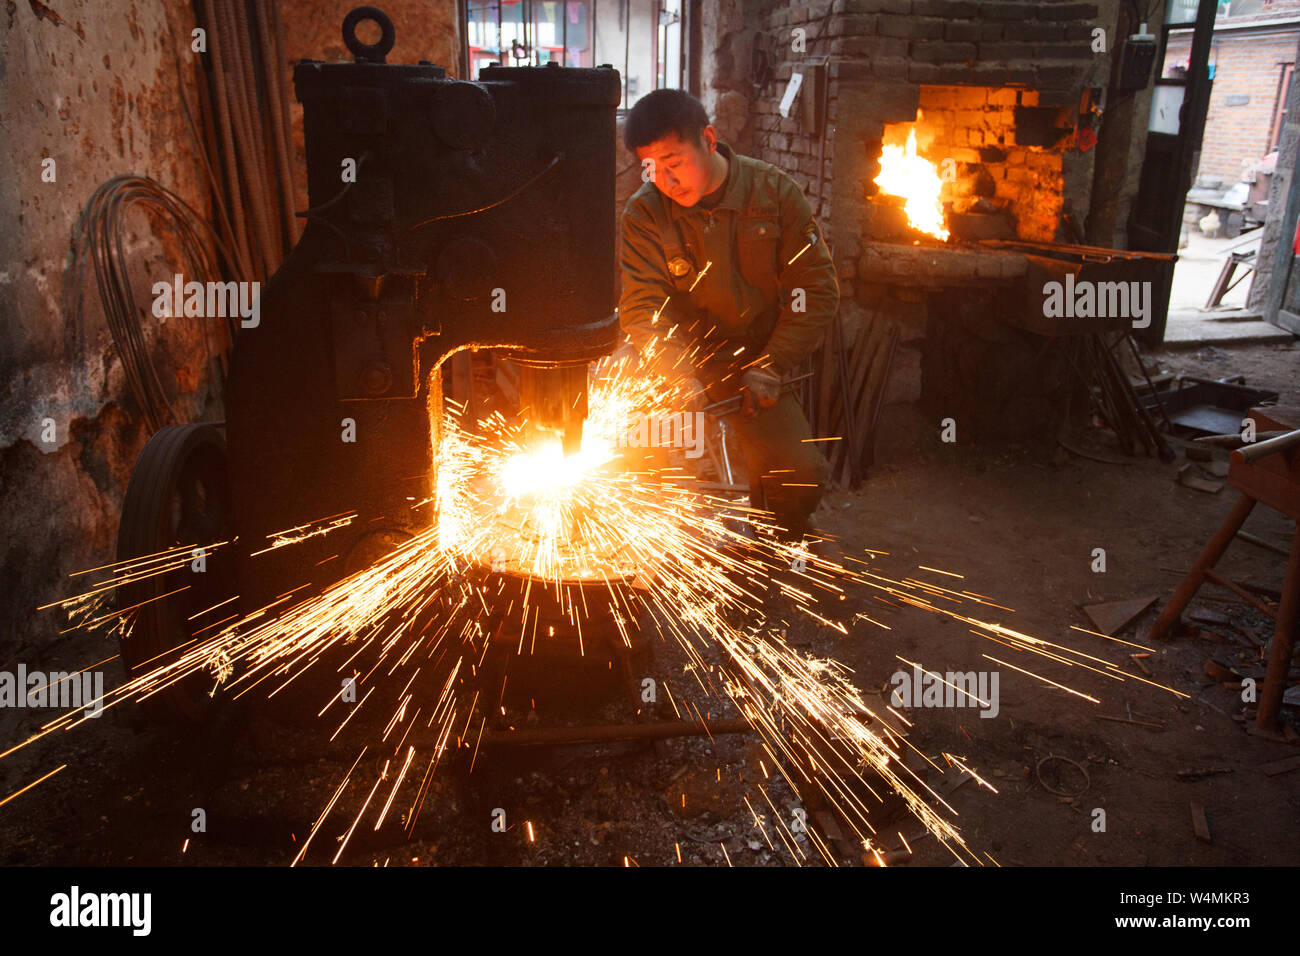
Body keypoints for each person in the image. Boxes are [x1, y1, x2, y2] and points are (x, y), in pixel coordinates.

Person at [618, 89, 839, 544]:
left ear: (709, 139)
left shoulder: (773, 194)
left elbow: (814, 290)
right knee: (634, 463)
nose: (665, 179)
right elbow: (642, 308)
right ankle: (653, 549)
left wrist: (773, 362)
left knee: (798, 475)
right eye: (651, 168)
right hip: (679, 363)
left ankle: (779, 542)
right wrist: (676, 375)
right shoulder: (643, 214)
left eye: (673, 162)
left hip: (756, 363)